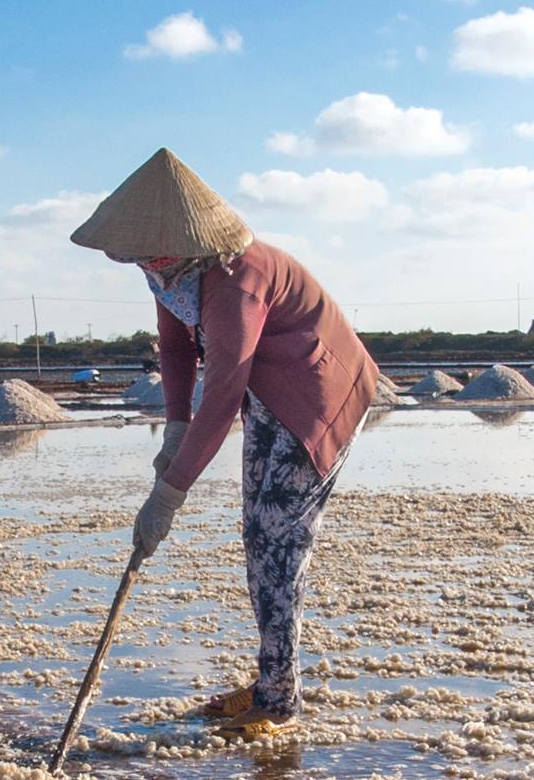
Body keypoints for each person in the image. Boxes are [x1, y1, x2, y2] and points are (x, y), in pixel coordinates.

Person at [70, 148, 380, 740]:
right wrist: (175, 425)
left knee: (275, 542)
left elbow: (224, 389)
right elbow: (176, 346)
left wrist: (168, 494)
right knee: (260, 537)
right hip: (267, 390)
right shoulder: (176, 275)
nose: (138, 262)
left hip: (312, 393)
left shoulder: (238, 280)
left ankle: (278, 698)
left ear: (181, 242)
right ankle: (272, 681)